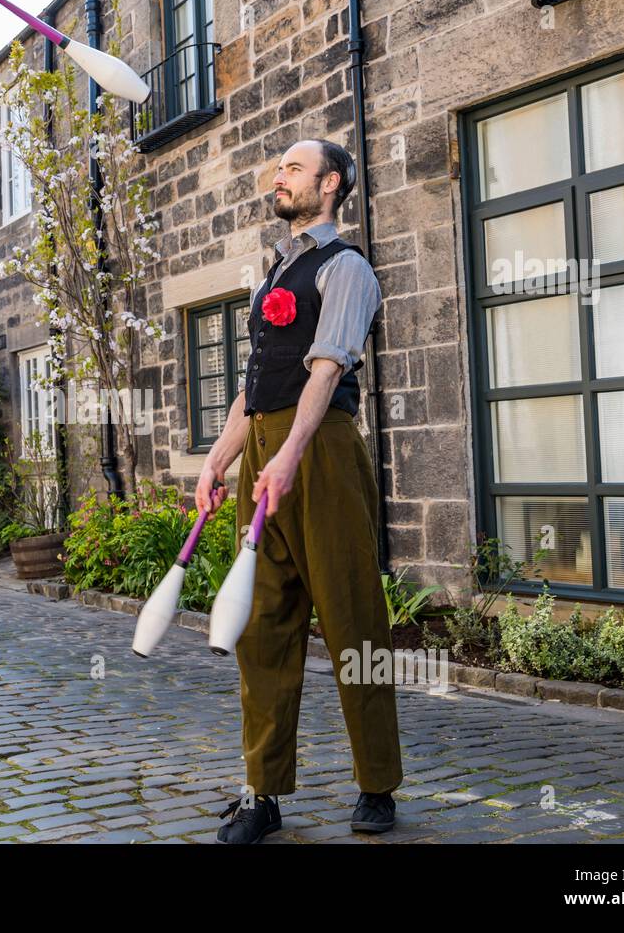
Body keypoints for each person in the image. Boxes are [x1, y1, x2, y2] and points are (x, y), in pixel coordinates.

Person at [195, 138, 403, 843]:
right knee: (262, 627)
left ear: (332, 183)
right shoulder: (274, 273)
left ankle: (377, 784)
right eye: (276, 168)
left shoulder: (347, 269)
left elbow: (324, 370)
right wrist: (220, 460)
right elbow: (254, 384)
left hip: (321, 453)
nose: (276, 177)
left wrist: (289, 454)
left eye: (292, 167)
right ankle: (263, 794)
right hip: (264, 451)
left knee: (351, 621)